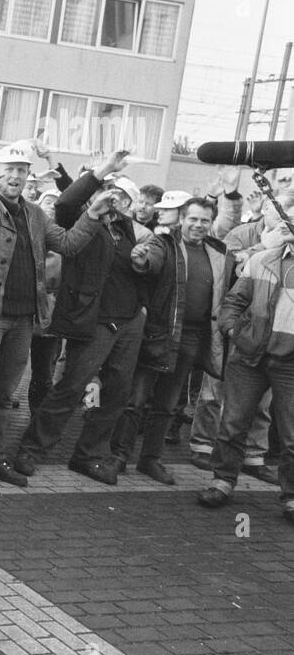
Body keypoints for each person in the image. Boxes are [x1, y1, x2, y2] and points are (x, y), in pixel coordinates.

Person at [0, 143, 108, 490]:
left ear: (28, 175)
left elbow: (69, 244)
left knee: (3, 395)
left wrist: (93, 214)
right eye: (9, 169)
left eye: (21, 170)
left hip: (24, 318)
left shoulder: (35, 214)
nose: (15, 175)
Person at [11, 157, 153, 484]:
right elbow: (66, 201)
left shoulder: (132, 229)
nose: (117, 202)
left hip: (129, 322)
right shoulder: (82, 218)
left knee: (116, 394)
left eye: (123, 198)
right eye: (111, 194)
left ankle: (87, 455)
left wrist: (142, 306)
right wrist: (100, 173)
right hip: (95, 322)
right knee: (71, 388)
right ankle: (31, 449)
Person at [109, 194, 228, 484]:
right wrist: (141, 260)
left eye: (204, 220)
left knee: (167, 404)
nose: (198, 225)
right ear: (182, 219)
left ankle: (150, 460)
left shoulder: (218, 252)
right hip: (159, 333)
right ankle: (118, 456)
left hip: (192, 338)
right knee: (135, 400)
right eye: (193, 219)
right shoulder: (164, 244)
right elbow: (149, 261)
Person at [197, 209, 294, 521]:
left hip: (289, 363)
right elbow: (235, 301)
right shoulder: (262, 259)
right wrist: (232, 329)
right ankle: (222, 481)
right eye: (285, 221)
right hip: (249, 357)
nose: (287, 226)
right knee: (233, 422)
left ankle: (291, 496)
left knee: (292, 434)